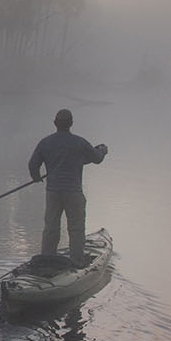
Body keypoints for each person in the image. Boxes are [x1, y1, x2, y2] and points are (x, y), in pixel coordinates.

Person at [28, 108, 108, 264]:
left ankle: (47, 260)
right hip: (73, 192)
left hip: (53, 192)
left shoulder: (45, 142)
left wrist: (36, 177)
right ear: (71, 124)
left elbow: (32, 164)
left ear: (55, 124)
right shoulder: (79, 142)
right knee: (76, 228)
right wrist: (103, 151)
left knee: (51, 227)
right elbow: (96, 158)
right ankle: (77, 261)